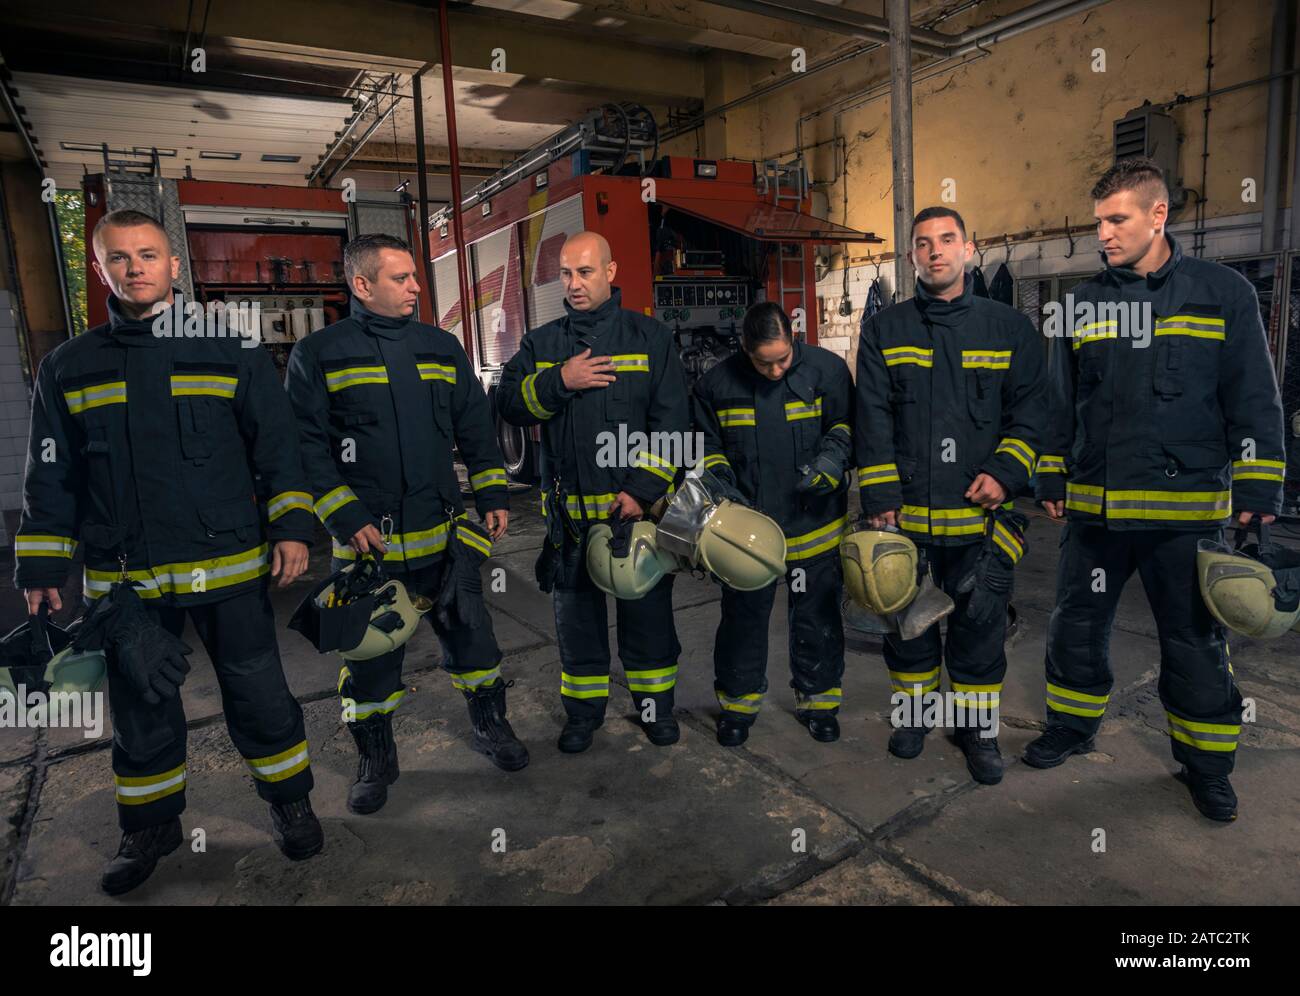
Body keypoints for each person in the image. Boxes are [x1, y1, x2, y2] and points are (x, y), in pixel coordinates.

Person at [15, 209, 321, 895]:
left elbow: (278, 448)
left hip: (229, 568)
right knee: (141, 710)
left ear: (174, 265)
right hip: (127, 585)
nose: (135, 267)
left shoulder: (231, 348)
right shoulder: (68, 366)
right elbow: (50, 473)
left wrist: (293, 526)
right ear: (100, 270)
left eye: (148, 254)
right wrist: (40, 567)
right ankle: (149, 828)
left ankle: (289, 802)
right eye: (118, 257)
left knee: (259, 693)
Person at [1029, 157, 1286, 822]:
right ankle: (1072, 726)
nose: (1104, 234)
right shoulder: (1077, 305)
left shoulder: (1223, 293)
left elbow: (1253, 396)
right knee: (1077, 625)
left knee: (1194, 640)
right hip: (1096, 509)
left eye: (1117, 219)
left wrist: (1260, 481)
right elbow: (1060, 402)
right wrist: (1050, 470)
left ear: (1158, 214)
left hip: (1184, 512)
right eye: (1099, 222)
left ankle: (1205, 766)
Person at [286, 234, 526, 815]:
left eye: (416, 277)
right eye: (402, 278)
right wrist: (343, 516)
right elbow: (304, 446)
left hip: (445, 537)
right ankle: (376, 757)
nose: (417, 287)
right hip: (368, 545)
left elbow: (475, 426)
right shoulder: (319, 353)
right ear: (362, 285)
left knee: (475, 640)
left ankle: (492, 726)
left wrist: (492, 490)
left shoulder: (441, 348)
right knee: (368, 660)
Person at [855, 206, 1045, 785]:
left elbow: (1034, 414)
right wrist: (881, 491)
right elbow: (872, 416)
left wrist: (1007, 473)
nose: (934, 251)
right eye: (922, 243)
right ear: (911, 255)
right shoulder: (886, 329)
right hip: (906, 515)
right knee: (906, 625)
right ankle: (914, 716)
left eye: (946, 240)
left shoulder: (1007, 328)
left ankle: (975, 730)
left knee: (980, 628)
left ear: (968, 248)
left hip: (981, 518)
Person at [497, 231, 690, 754]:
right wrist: (561, 379)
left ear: (611, 270)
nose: (574, 283)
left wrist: (640, 491)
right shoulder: (544, 344)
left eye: (585, 271)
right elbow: (510, 405)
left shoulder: (649, 337)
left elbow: (671, 424)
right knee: (577, 626)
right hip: (570, 521)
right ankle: (584, 716)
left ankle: (655, 711)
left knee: (648, 622)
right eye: (565, 272)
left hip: (635, 516)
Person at [692, 302, 853, 745]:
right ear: (745, 348)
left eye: (784, 358)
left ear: (794, 339)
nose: (777, 370)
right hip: (748, 536)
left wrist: (832, 461)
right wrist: (720, 478)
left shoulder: (828, 371)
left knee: (818, 620)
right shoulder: (715, 386)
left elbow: (847, 427)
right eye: (764, 362)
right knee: (742, 622)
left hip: (815, 526)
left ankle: (819, 703)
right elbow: (704, 446)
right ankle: (738, 707)